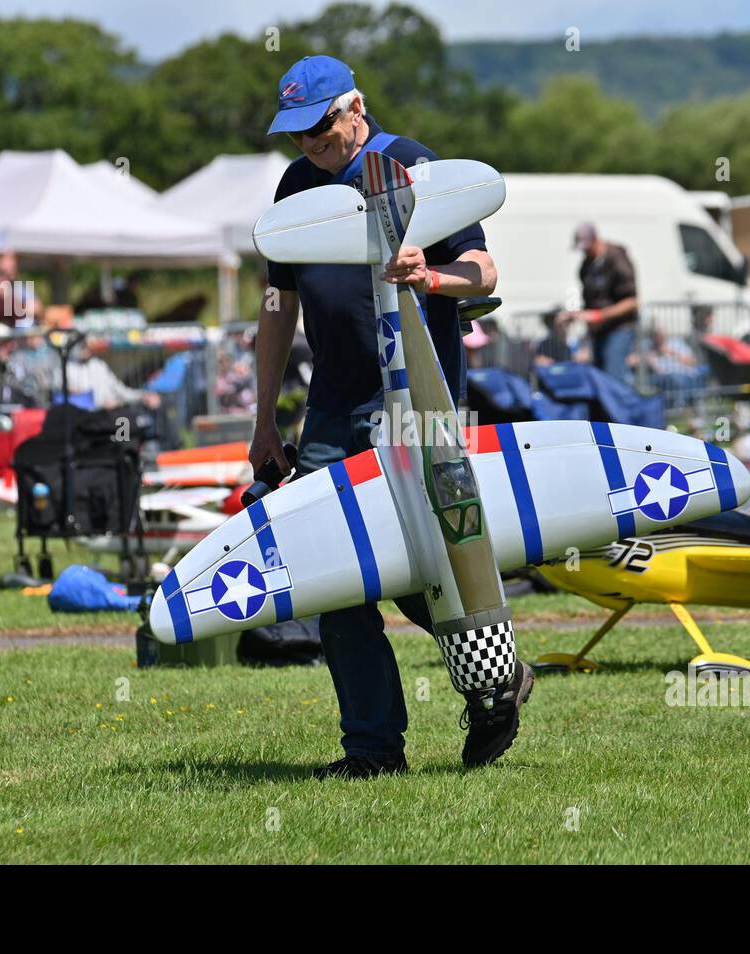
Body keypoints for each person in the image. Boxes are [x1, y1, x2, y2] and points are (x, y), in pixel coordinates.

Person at [251, 55, 529, 780]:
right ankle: (373, 750)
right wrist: (262, 419)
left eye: (320, 127)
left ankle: (494, 677)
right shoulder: (295, 185)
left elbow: (483, 272)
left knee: (426, 566)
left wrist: (427, 275)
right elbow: (277, 308)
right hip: (333, 408)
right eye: (297, 133)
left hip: (417, 402)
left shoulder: (410, 165)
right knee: (332, 571)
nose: (310, 144)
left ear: (355, 108)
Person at [558, 224, 639, 384]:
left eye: (586, 247)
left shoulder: (617, 258)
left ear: (595, 240)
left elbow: (632, 302)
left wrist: (598, 316)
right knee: (600, 379)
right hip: (598, 332)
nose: (584, 252)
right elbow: (590, 303)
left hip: (619, 328)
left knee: (613, 379)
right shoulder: (586, 266)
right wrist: (575, 315)